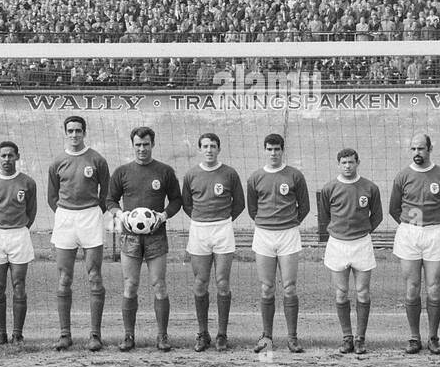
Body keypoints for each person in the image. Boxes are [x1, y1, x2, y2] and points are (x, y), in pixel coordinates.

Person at [106, 125, 182, 352]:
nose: (142, 149)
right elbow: (109, 200)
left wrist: (163, 215)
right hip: (130, 237)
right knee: (130, 285)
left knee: (159, 285)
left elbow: (177, 200)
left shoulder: (165, 171)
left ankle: (162, 336)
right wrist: (120, 214)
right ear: (132, 145)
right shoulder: (122, 172)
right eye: (137, 145)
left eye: (145, 144)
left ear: (153, 144)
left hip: (156, 236)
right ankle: (129, 336)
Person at [388, 132, 440, 355]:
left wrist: (431, 224)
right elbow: (394, 208)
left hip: (434, 234)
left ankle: (433, 337)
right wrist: (412, 224)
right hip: (409, 234)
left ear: (430, 149)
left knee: (434, 288)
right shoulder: (403, 175)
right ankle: (414, 337)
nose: (417, 153)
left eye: (421, 148)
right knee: (412, 288)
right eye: (413, 149)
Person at [47, 114, 110, 352]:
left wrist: (93, 211)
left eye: (78, 131)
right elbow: (52, 197)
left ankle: (95, 335)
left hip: (90, 216)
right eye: (70, 131)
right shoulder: (57, 162)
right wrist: (66, 213)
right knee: (64, 278)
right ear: (65, 133)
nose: (74, 134)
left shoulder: (97, 160)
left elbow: (106, 192)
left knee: (94, 275)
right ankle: (65, 335)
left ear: (84, 132)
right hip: (65, 218)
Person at [245, 132, 311, 354]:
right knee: (267, 288)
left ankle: (292, 338)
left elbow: (304, 207)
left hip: (288, 234)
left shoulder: (295, 176)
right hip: (264, 235)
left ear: (283, 150)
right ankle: (267, 337)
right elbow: (252, 208)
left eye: (277, 149)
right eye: (269, 149)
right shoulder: (255, 177)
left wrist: (289, 223)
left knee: (290, 287)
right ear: (265, 150)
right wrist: (267, 223)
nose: (273, 153)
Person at [181, 131, 245, 352]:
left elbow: (239, 204)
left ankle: (222, 334)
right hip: (199, 229)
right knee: (200, 282)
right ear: (200, 149)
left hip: (223, 229)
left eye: (213, 146)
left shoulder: (229, 173)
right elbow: (187, 204)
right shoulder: (191, 174)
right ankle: (202, 333)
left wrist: (222, 221)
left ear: (219, 149)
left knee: (222, 282)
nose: (209, 150)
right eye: (205, 146)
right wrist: (203, 220)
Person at [316, 147, 383, 354]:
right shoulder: (330, 188)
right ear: (338, 164)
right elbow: (324, 216)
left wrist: (362, 231)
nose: (347, 166)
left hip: (361, 243)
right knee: (341, 292)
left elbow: (377, 216)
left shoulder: (369, 187)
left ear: (357, 162)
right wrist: (338, 232)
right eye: (343, 163)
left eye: (351, 162)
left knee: (362, 292)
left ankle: (360, 338)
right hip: (337, 244)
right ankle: (347, 337)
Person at [0, 140, 38, 346]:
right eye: (3, 155)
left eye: (10, 155)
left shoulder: (28, 183)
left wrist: (20, 227)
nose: (7, 159)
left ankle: (17, 333)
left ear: (17, 157)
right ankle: (0, 333)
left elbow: (31, 211)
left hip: (19, 236)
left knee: (19, 285)